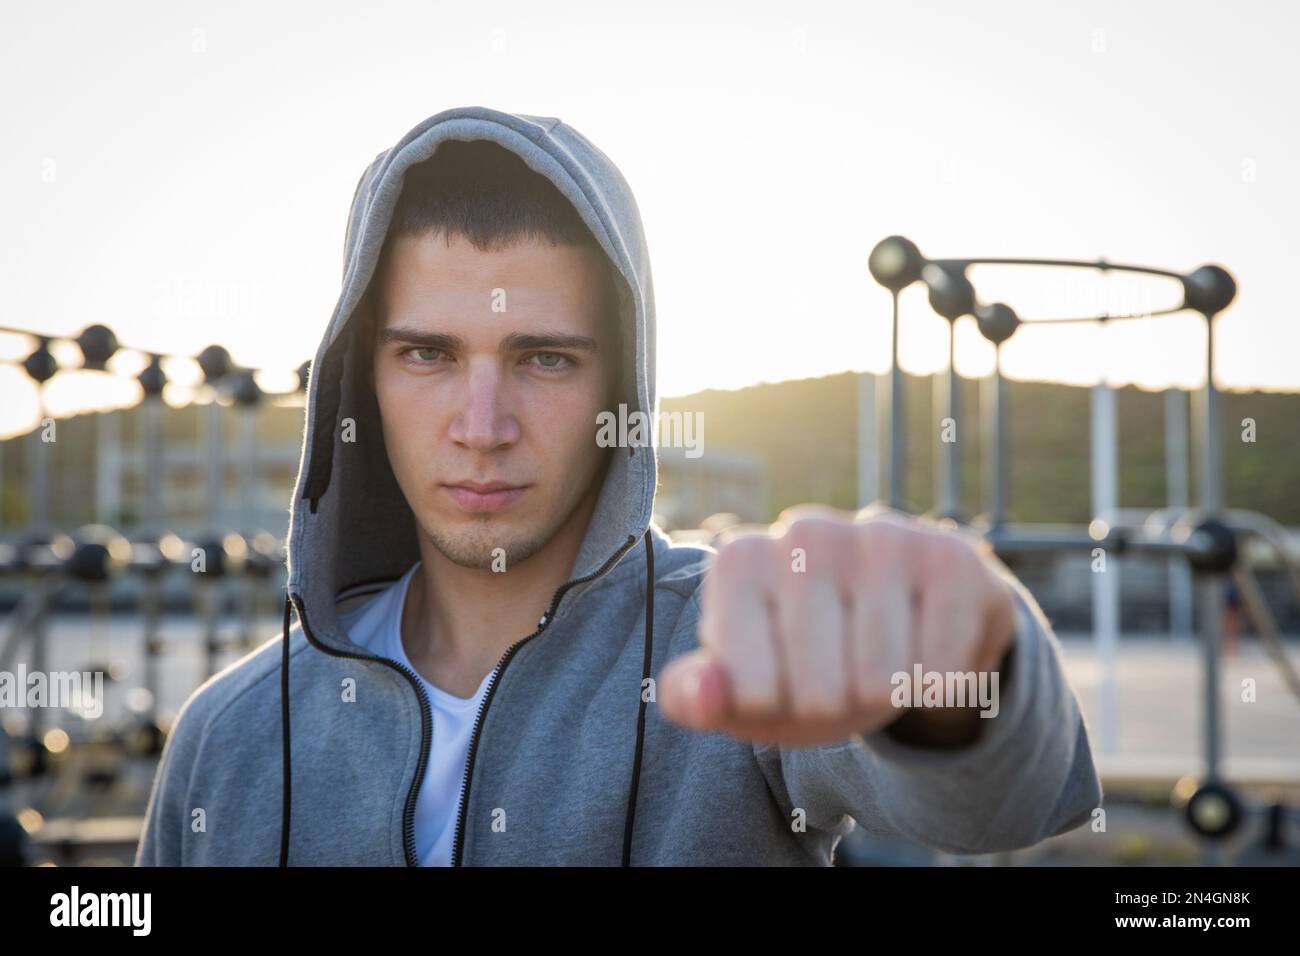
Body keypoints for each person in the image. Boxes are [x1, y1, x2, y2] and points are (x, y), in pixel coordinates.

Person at [136, 106, 1101, 866]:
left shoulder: (726, 648)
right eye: (428, 354)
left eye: (545, 360)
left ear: (623, 390)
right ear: (363, 381)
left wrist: (965, 668)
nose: (483, 425)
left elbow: (997, 805)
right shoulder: (231, 734)